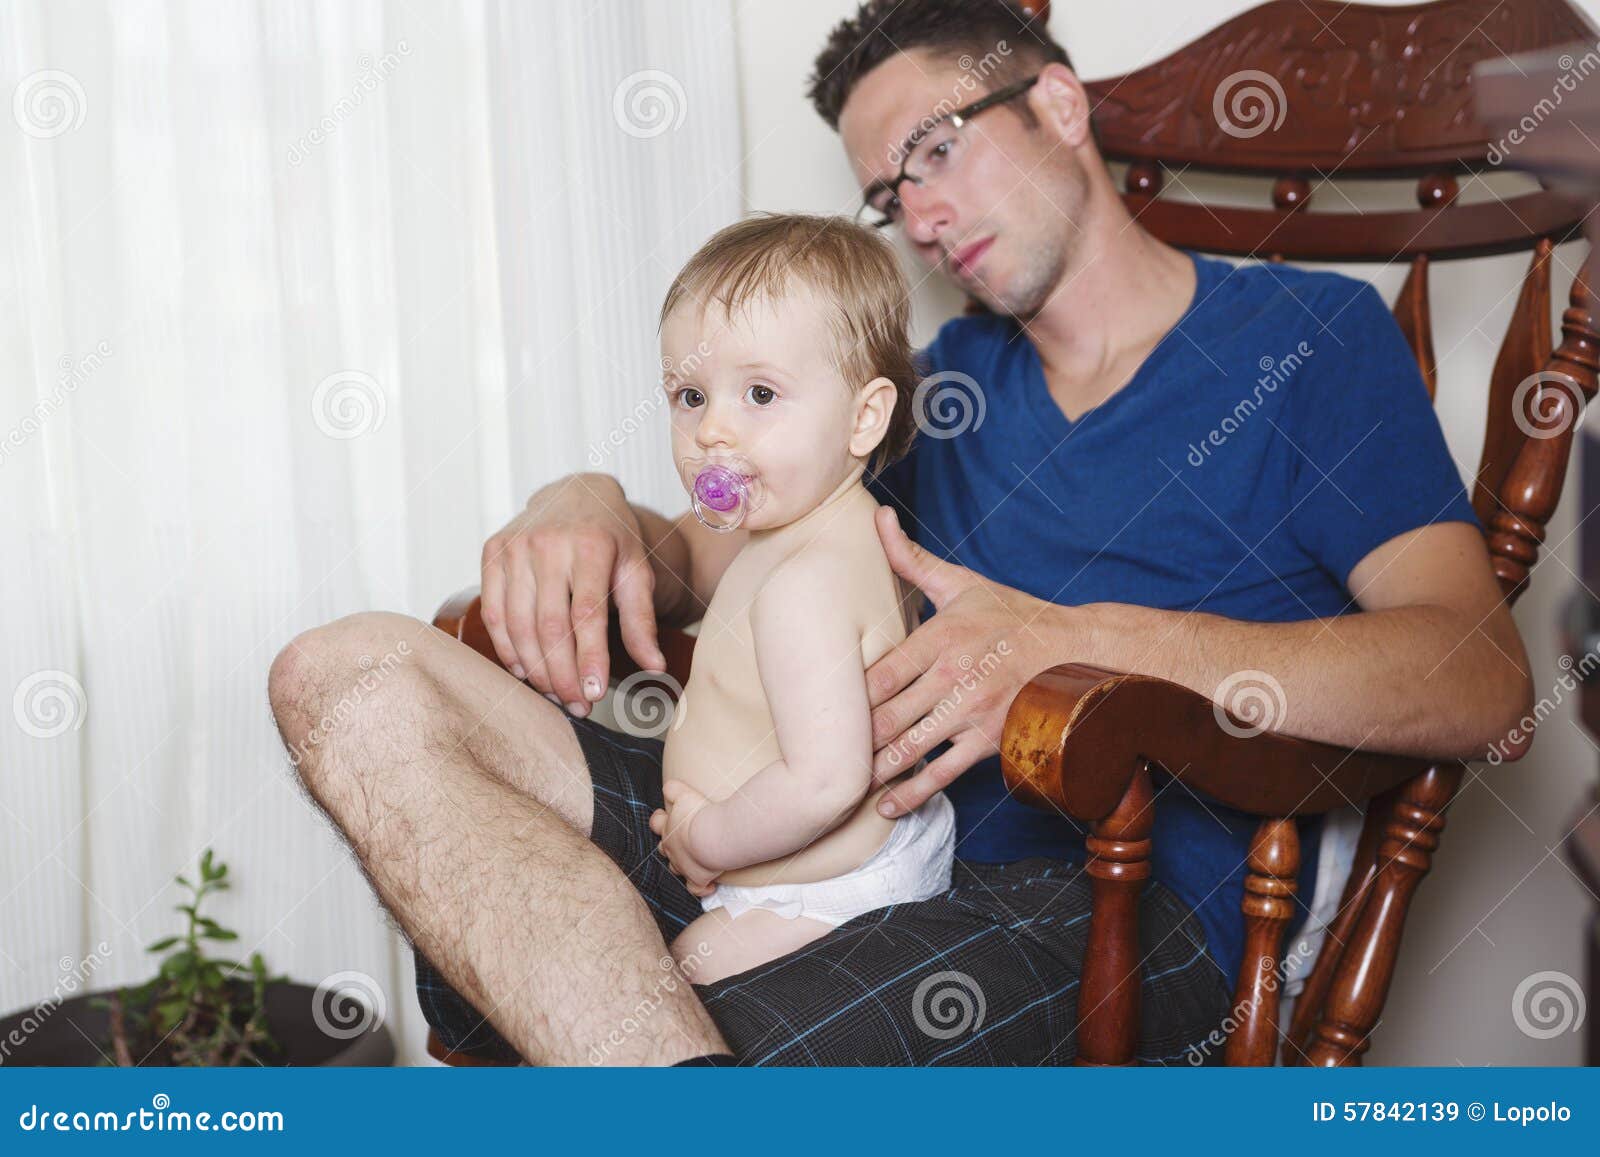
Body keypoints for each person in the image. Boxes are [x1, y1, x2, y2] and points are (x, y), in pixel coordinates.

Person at [268, 0, 1533, 1066]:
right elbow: (718, 551)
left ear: (1057, 105)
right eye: (887, 193)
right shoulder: (932, 388)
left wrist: (1076, 641)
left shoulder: (1305, 343)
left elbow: (1476, 680)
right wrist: (591, 501)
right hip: (811, 829)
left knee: (553, 1011)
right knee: (348, 678)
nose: (919, 217)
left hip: (1104, 897)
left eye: (935, 150)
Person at [646, 213, 957, 986]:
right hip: (816, 857)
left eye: (759, 393)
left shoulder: (802, 583)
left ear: (863, 418)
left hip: (830, 886)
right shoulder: (817, 526)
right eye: (690, 394)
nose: (712, 430)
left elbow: (826, 779)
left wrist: (708, 838)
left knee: (683, 980)